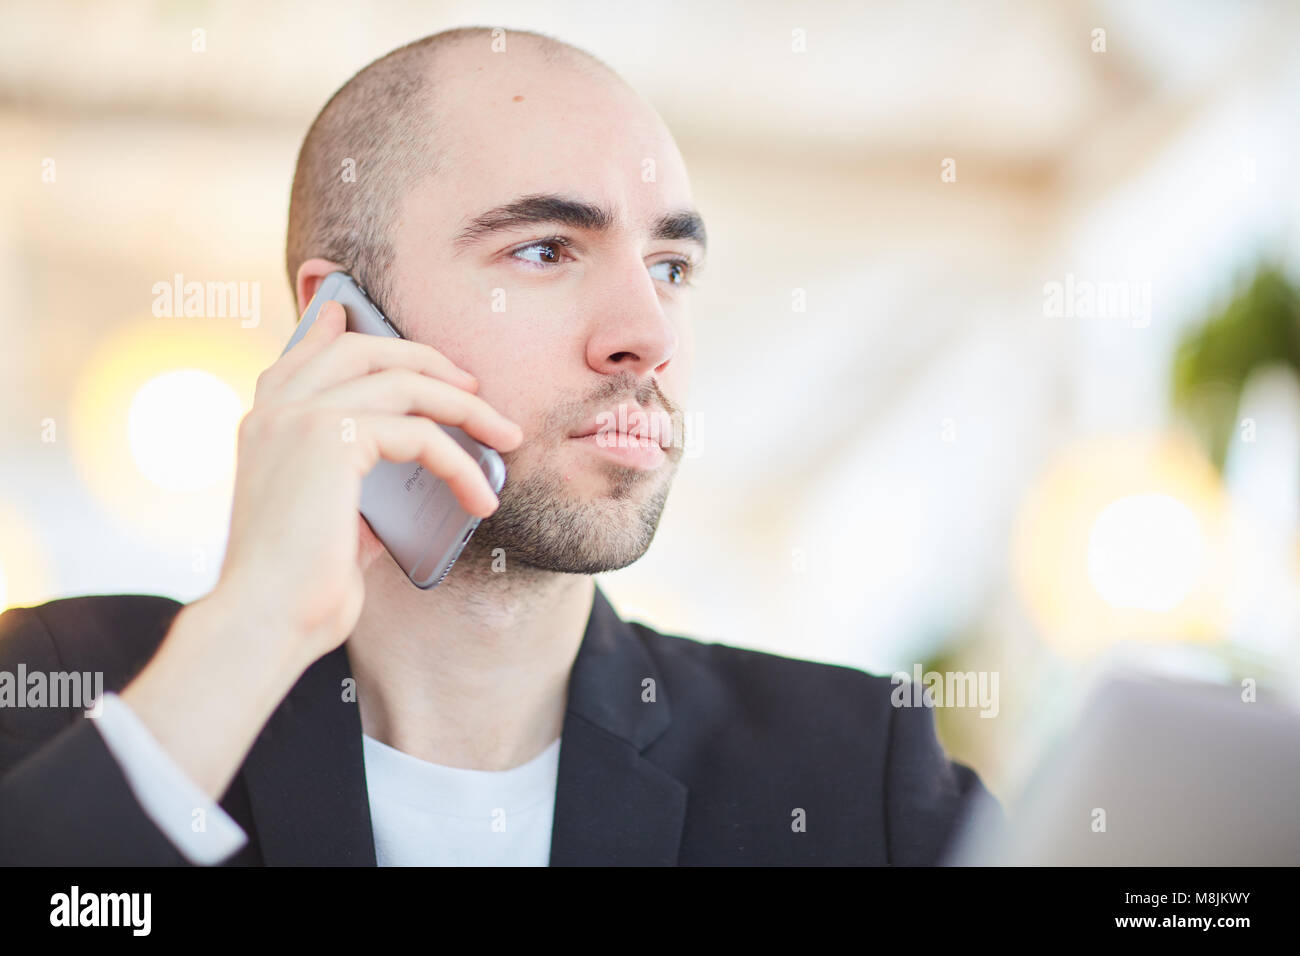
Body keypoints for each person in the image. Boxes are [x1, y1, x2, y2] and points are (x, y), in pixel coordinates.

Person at [0, 26, 998, 865]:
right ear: (341, 328)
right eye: (545, 249)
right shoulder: (73, 687)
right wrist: (256, 625)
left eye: (670, 264)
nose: (646, 331)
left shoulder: (855, 772)